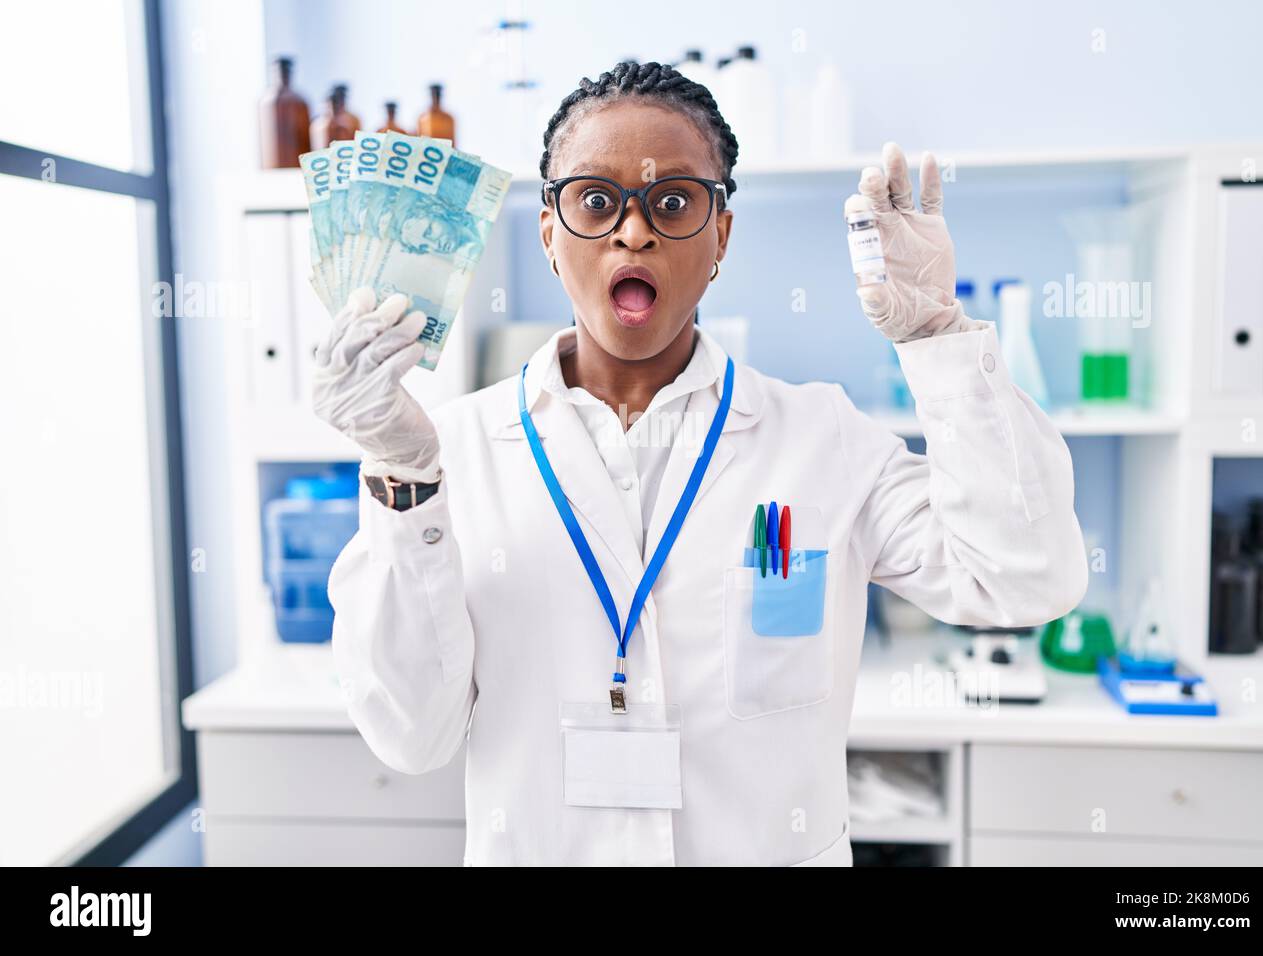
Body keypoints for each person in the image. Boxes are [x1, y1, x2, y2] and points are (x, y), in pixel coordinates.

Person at [312, 60, 1087, 866]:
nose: (633, 231)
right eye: (595, 201)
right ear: (549, 231)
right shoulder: (450, 454)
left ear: (720, 235)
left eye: (673, 201)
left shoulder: (823, 438)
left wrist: (938, 337)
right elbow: (410, 734)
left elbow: (1027, 576)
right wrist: (402, 482)